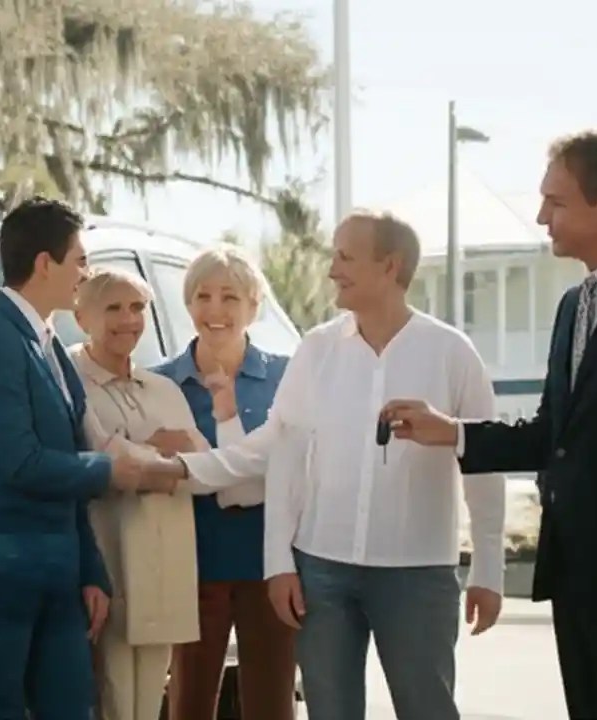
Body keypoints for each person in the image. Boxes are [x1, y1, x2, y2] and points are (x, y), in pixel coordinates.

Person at [383, 130, 597, 720]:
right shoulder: (574, 305)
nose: (542, 215)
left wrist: (593, 487)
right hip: (574, 574)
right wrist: (454, 430)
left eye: (556, 201)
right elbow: (554, 432)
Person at [153, 213, 506, 720]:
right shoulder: (317, 349)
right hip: (321, 573)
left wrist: (488, 568)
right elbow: (277, 452)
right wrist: (277, 563)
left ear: (390, 265)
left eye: (344, 256)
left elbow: (484, 462)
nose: (332, 269)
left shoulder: (452, 352)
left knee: (427, 709)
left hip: (417, 574)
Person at [0, 197, 176, 720]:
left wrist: (89, 570)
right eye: (79, 261)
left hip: (56, 568)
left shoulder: (45, 341)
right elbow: (19, 462)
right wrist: (112, 471)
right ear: (45, 264)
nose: (85, 274)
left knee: (72, 707)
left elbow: (65, 454)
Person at [147, 246, 298, 720]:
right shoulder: (158, 384)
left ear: (254, 306)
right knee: (188, 702)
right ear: (187, 305)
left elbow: (285, 467)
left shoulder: (288, 376)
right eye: (203, 296)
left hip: (268, 566)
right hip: (190, 566)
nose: (215, 310)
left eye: (230, 297)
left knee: (271, 703)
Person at [67, 266, 211, 720]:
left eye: (137, 308)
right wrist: (164, 453)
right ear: (81, 315)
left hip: (162, 565)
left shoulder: (164, 388)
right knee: (110, 694)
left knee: (149, 699)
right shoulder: (69, 378)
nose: (128, 319)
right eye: (114, 307)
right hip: (107, 559)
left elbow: (206, 468)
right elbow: (101, 456)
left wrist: (151, 460)